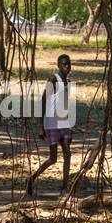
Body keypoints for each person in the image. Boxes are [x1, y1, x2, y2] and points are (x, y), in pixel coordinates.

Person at [25, 53, 75, 197]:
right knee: (53, 158)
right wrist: (41, 125)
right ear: (58, 65)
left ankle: (64, 188)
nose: (67, 67)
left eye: (69, 64)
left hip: (64, 122)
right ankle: (31, 179)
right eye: (64, 64)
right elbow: (43, 100)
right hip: (51, 123)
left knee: (67, 154)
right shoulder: (53, 79)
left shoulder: (68, 82)